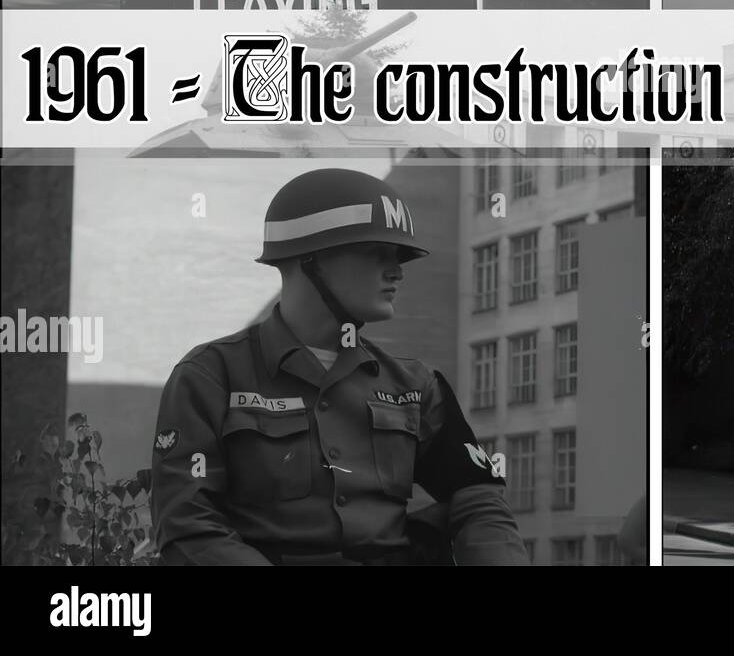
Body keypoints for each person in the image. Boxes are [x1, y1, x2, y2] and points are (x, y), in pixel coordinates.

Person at [150, 168, 528, 565]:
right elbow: (189, 527)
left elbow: (479, 497)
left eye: (399, 256)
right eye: (377, 252)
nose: (397, 270)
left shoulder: (415, 386)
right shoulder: (210, 378)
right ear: (310, 259)